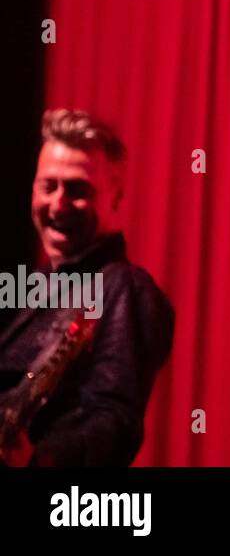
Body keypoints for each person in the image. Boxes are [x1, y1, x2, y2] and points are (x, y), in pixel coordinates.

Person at [0, 109, 173, 466]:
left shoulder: (125, 289)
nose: (58, 204)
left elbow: (115, 421)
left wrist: (41, 460)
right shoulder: (33, 286)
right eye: (48, 186)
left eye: (77, 190)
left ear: (116, 197)